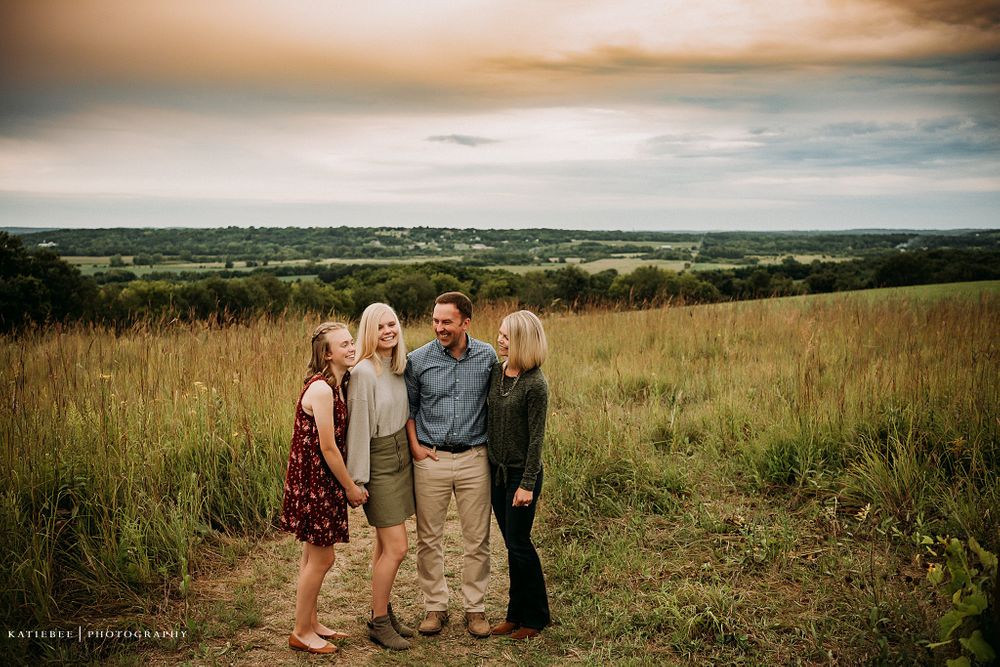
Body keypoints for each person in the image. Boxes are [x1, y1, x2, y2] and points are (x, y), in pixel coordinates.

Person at [404, 292, 497, 638]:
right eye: (435, 321)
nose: (439, 327)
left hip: (475, 457)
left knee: (477, 538)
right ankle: (435, 606)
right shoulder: (418, 360)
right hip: (431, 458)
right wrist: (415, 448)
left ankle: (475, 609)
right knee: (429, 538)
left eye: (447, 322)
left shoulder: (487, 356)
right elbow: (409, 410)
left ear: (466, 323)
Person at [279, 321, 368, 655]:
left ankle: (311, 622)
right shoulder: (321, 389)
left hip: (321, 481)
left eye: (351, 341)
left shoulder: (338, 384)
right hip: (314, 483)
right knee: (322, 558)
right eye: (343, 344)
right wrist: (350, 488)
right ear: (327, 353)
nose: (351, 347)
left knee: (311, 555)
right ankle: (301, 632)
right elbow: (328, 447)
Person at [346, 303, 417, 650]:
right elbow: (358, 429)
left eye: (392, 324)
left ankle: (383, 610)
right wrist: (357, 480)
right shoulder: (363, 372)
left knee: (384, 544)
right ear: (368, 332)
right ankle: (378, 623)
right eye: (380, 327)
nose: (388, 331)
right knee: (398, 547)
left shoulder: (400, 365)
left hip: (402, 455)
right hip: (379, 460)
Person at [486, 310, 551, 639]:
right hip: (496, 473)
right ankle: (514, 613)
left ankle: (536, 618)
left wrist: (526, 484)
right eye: (500, 333)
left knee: (520, 543)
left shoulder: (535, 384)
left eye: (507, 336)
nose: (500, 340)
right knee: (512, 545)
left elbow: (537, 439)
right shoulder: (496, 372)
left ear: (523, 341)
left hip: (521, 476)